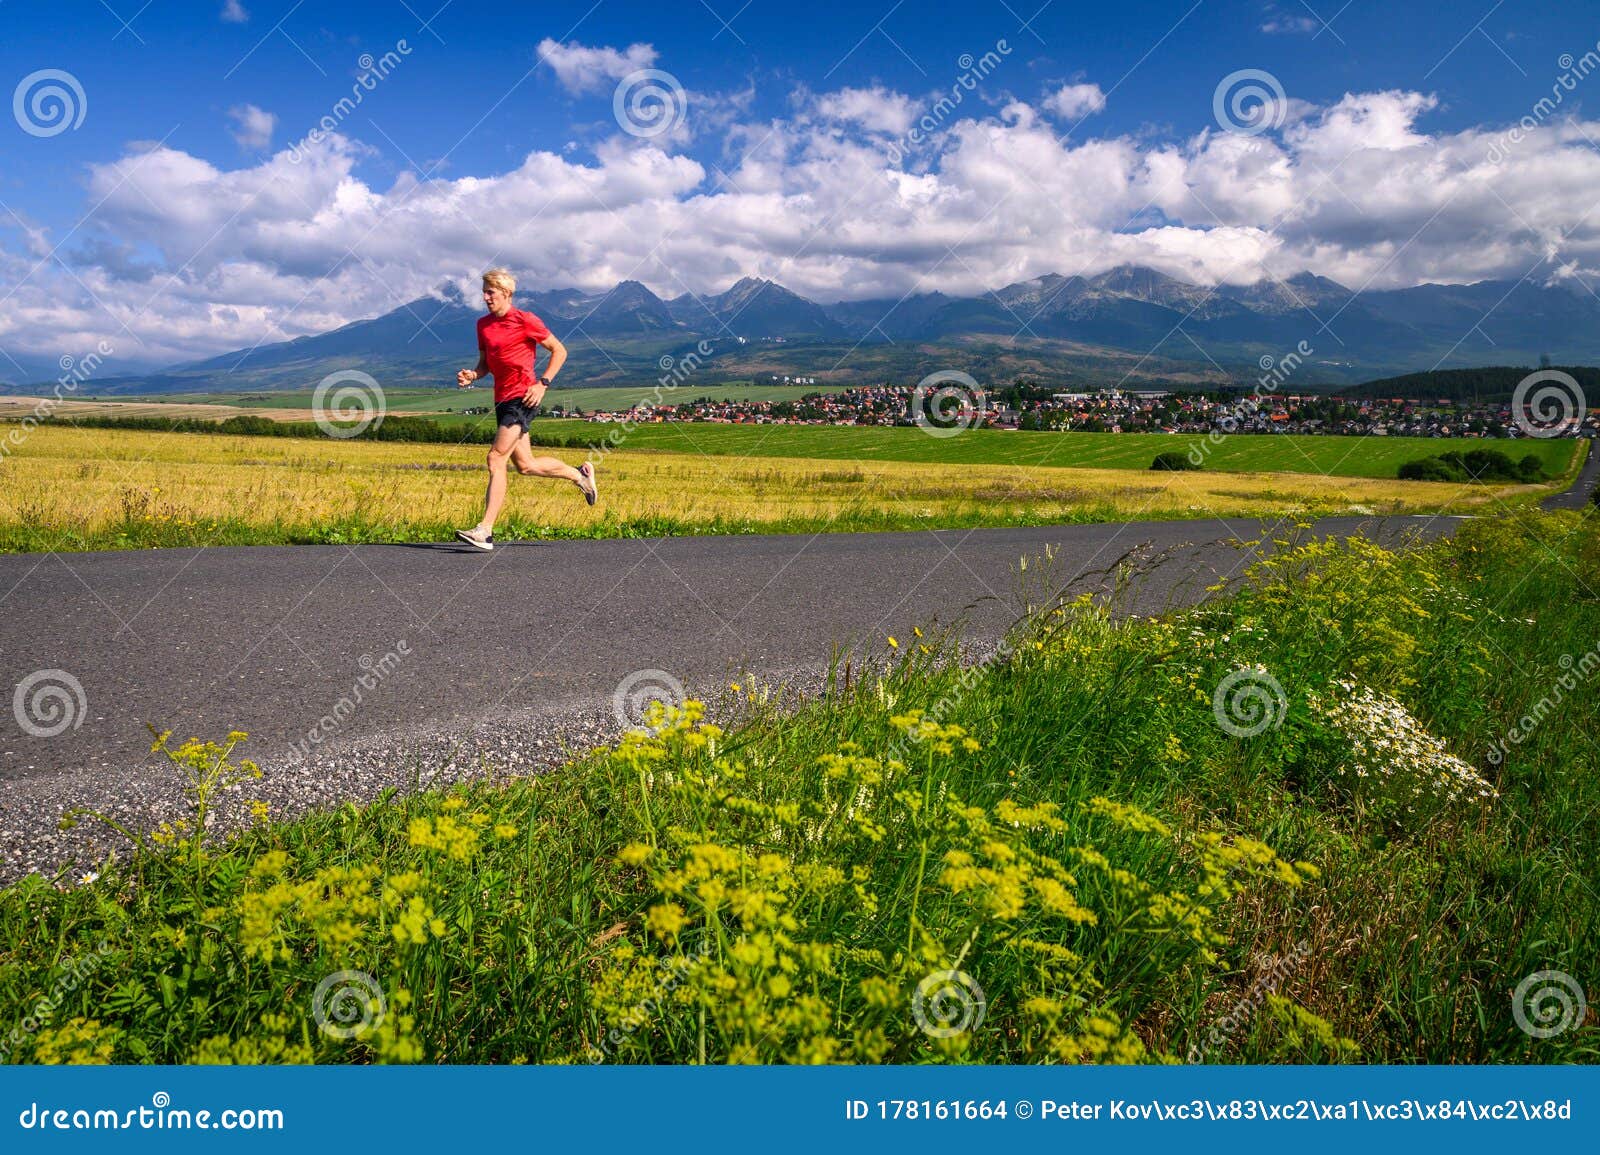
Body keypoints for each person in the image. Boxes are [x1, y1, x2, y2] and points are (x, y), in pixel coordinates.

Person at [454, 268, 595, 551]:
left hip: (523, 397)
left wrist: (543, 383)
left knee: (495, 458)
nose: (485, 297)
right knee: (525, 465)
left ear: (506, 293)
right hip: (502, 399)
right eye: (483, 292)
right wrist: (472, 375)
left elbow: (559, 350)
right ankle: (580, 476)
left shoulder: (525, 320)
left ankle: (485, 531)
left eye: (490, 292)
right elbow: (485, 365)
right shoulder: (483, 325)